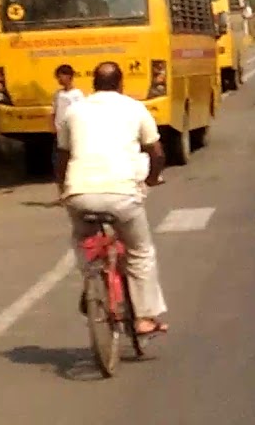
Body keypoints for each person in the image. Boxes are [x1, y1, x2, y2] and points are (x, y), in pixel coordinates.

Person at [56, 62, 169, 337]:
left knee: (83, 241)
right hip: (122, 195)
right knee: (140, 252)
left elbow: (61, 155)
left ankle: (92, 282)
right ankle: (144, 317)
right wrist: (153, 178)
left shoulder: (73, 110)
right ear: (121, 84)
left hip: (79, 193)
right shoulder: (134, 108)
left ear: (93, 84)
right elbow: (156, 151)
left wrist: (63, 189)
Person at [51, 64, 83, 200]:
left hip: (73, 134)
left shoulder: (77, 95)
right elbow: (53, 112)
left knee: (74, 163)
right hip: (60, 134)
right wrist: (53, 127)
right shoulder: (58, 94)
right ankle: (62, 192)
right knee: (59, 164)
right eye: (58, 77)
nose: (60, 79)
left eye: (62, 76)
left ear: (69, 76)